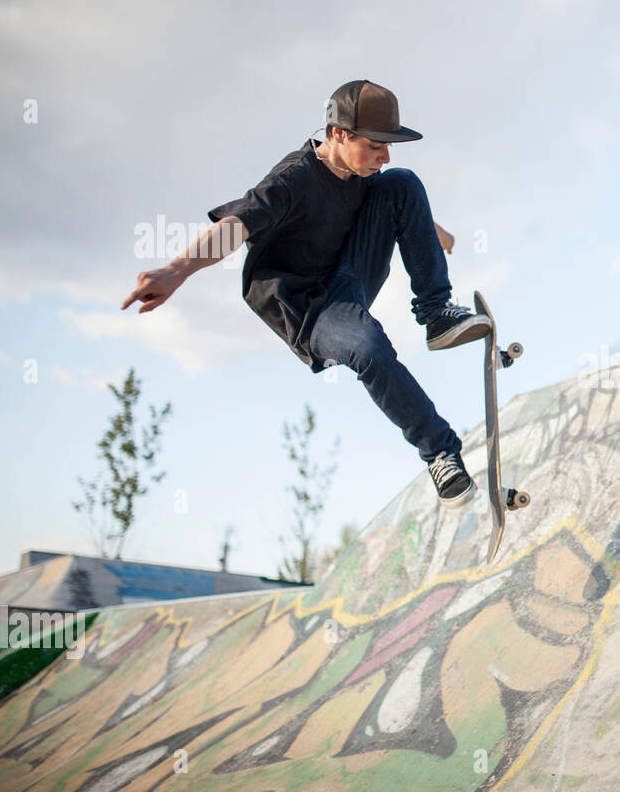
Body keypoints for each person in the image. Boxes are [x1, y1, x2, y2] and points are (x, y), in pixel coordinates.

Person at [121, 79, 488, 508]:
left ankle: (436, 314)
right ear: (338, 134)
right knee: (368, 349)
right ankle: (440, 452)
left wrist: (430, 228)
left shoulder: (361, 172)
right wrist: (177, 269)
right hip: (311, 311)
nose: (383, 156)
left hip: (350, 276)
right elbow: (236, 228)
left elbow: (396, 201)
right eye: (374, 146)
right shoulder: (291, 180)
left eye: (387, 146)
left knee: (403, 182)